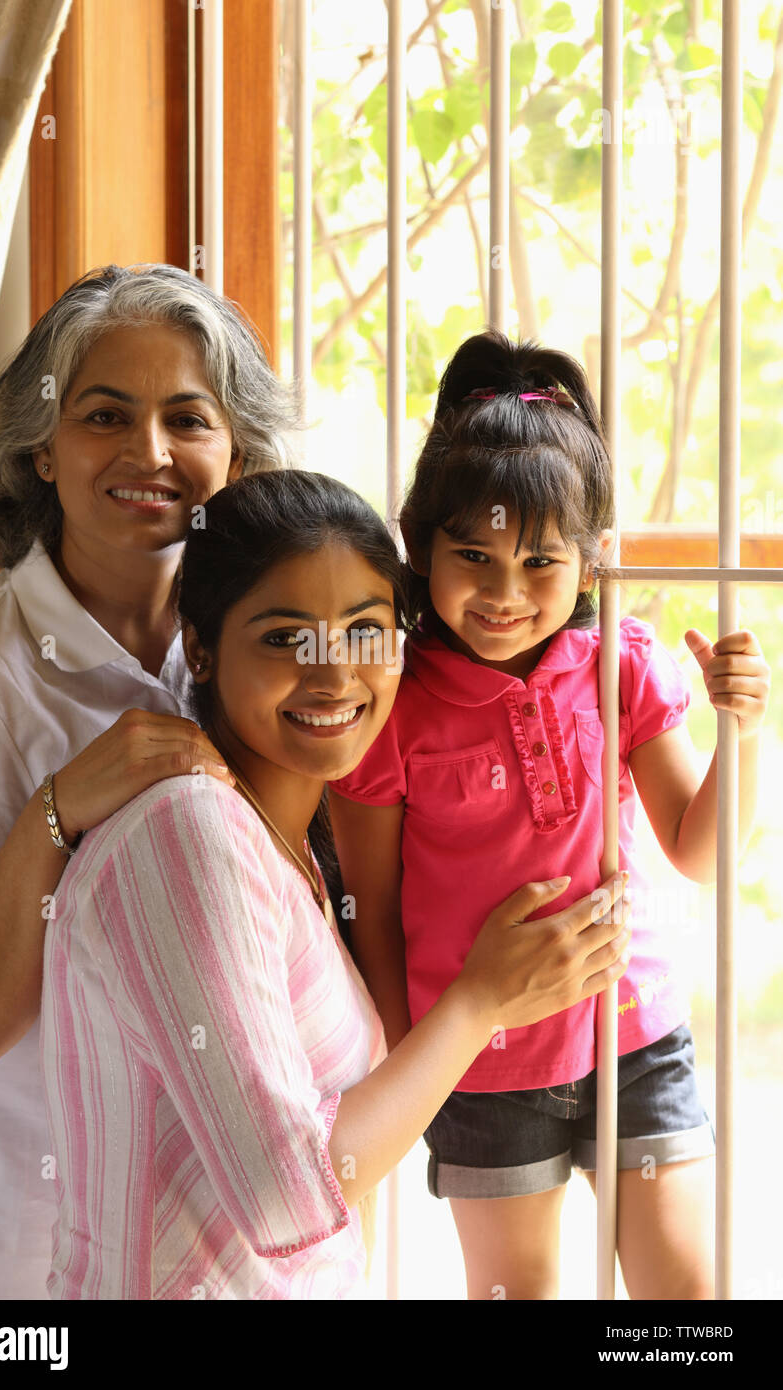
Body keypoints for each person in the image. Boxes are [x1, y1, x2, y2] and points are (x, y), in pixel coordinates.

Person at [40, 469, 631, 1300]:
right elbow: (288, 1200)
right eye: (284, 638)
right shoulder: (189, 834)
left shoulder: (284, 846)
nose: (334, 674)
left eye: (364, 631)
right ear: (201, 648)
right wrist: (480, 1003)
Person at [329, 329, 771, 1301]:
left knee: (685, 1301)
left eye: (539, 563)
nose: (501, 593)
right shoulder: (391, 705)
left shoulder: (619, 663)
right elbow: (370, 903)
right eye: (471, 555)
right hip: (481, 1067)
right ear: (418, 544)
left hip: (637, 1035)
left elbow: (696, 851)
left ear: (590, 561)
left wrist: (736, 726)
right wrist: (410, 1078)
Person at [0, 263, 294, 1299]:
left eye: (188, 419)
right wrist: (59, 808)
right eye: (104, 416)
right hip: (8, 1241)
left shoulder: (264, 653)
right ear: (43, 448)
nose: (150, 454)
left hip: (204, 1225)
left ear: (239, 450)